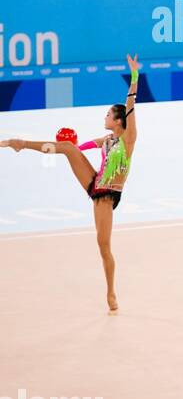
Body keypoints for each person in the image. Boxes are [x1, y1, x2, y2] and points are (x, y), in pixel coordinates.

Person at [3, 55, 142, 313]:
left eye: (108, 114)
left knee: (104, 246)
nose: (105, 116)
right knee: (66, 147)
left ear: (119, 120)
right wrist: (72, 150)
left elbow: (130, 106)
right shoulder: (108, 139)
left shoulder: (128, 140)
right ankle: (21, 144)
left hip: (108, 195)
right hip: (95, 183)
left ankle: (111, 290)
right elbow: (84, 146)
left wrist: (134, 77)